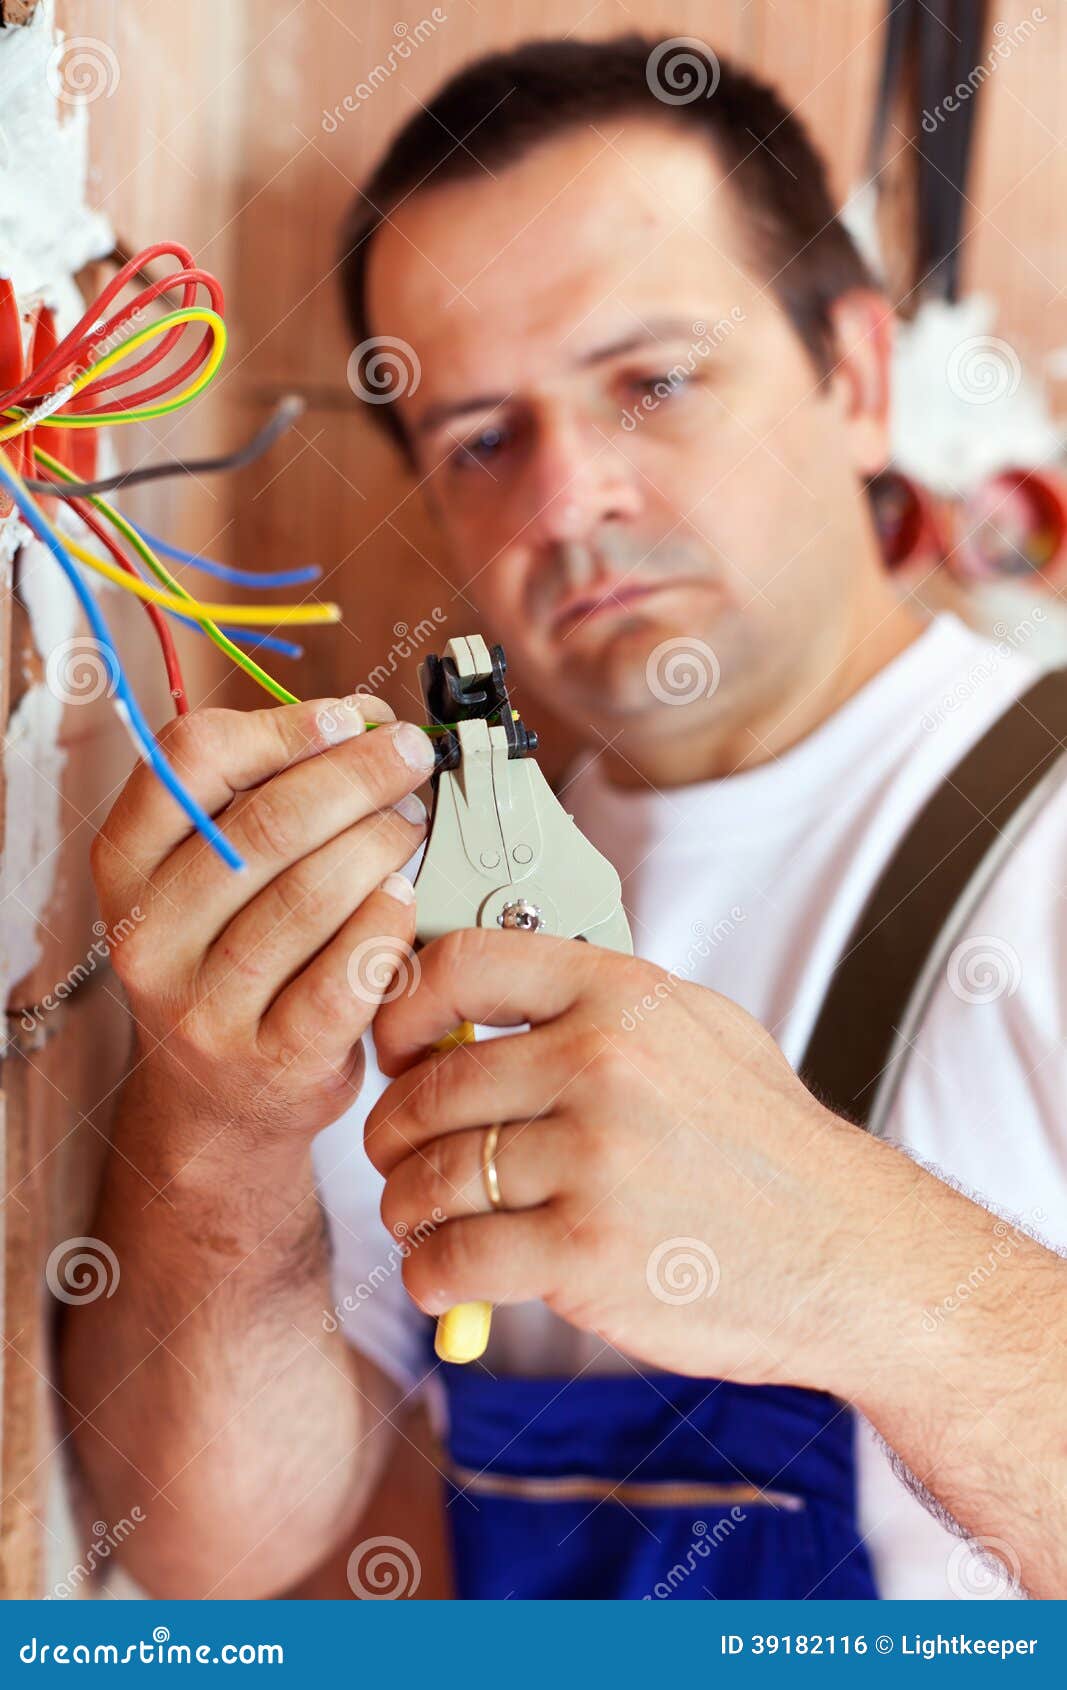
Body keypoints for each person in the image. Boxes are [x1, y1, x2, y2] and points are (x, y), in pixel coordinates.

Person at [64, 36, 1067, 1601]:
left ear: (856, 377)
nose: (566, 498)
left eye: (651, 380)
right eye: (480, 436)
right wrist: (221, 1125)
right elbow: (220, 1547)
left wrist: (860, 1264)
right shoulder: (423, 909)